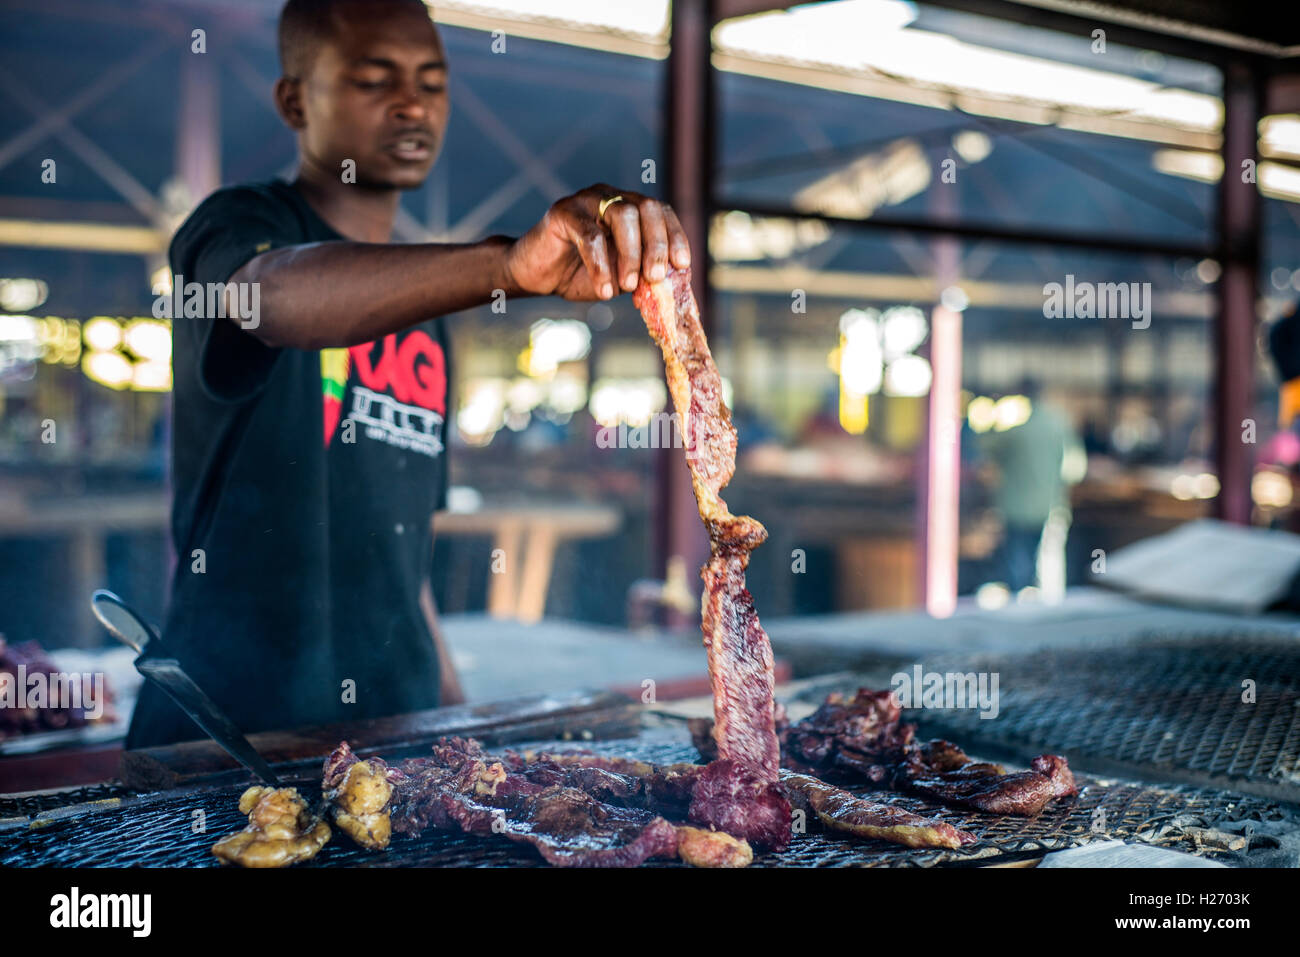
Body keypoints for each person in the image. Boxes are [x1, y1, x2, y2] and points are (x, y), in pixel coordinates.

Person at [126, 0, 690, 747]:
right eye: (374, 79)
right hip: (231, 737)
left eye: (432, 81)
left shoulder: (424, 315)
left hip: (391, 738)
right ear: (295, 100)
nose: (412, 103)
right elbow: (271, 296)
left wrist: (451, 713)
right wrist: (506, 265)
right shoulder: (234, 225)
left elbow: (406, 559)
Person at [976, 380, 1083, 594]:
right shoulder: (1059, 428)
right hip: (1051, 508)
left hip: (1017, 509)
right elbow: (1075, 470)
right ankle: (1048, 611)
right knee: (1049, 566)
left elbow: (983, 448)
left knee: (1018, 568)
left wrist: (991, 411)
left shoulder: (1016, 433)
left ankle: (1020, 610)